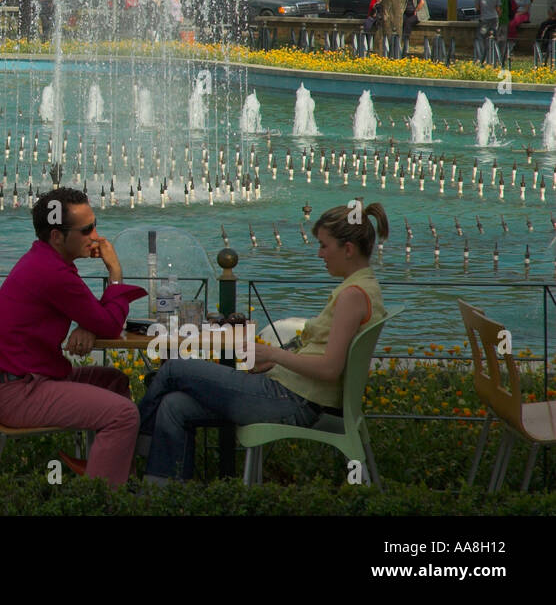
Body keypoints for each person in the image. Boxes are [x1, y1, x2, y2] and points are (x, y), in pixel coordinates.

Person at [137, 202, 389, 483]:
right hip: (291, 395)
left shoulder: (352, 295)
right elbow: (324, 353)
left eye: (324, 246)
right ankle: (161, 495)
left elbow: (329, 368)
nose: (320, 254)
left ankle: (137, 442)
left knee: (174, 369)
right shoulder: (365, 288)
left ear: (349, 249)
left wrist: (274, 354)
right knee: (174, 405)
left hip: (290, 401)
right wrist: (275, 358)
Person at [0, 188, 147, 486]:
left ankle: (105, 469)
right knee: (123, 415)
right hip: (20, 394)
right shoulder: (54, 274)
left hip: (24, 380)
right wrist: (115, 272)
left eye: (95, 225)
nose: (96, 236)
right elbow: (109, 325)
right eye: (86, 230)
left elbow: (94, 317)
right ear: (57, 236)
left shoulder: (44, 262)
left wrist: (89, 324)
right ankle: (101, 499)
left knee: (115, 381)